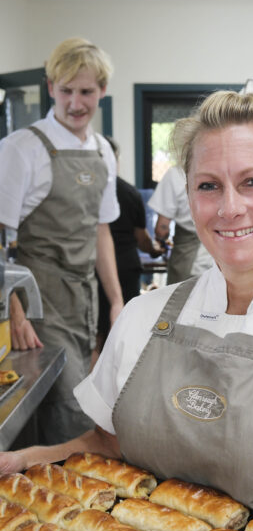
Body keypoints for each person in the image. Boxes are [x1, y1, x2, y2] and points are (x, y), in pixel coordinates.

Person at [0, 91, 253, 531]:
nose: (229, 207)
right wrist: (28, 459)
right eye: (208, 185)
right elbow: (105, 448)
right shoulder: (143, 317)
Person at [0, 37, 124, 443]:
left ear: (102, 92)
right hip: (39, 300)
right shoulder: (22, 148)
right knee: (65, 409)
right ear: (50, 87)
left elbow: (99, 230)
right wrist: (14, 310)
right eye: (66, 90)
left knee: (86, 400)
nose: (76, 102)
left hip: (83, 299)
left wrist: (116, 301)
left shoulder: (104, 151)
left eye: (86, 91)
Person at [95, 136, 163, 353]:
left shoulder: (91, 192)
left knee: (97, 332)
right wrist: (153, 250)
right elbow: (141, 238)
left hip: (96, 268)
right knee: (124, 330)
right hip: (124, 266)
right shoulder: (129, 192)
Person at [151, 165, 213, 283]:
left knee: (183, 299)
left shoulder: (176, 174)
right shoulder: (225, 168)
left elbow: (161, 229)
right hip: (223, 262)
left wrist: (161, 241)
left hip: (186, 260)